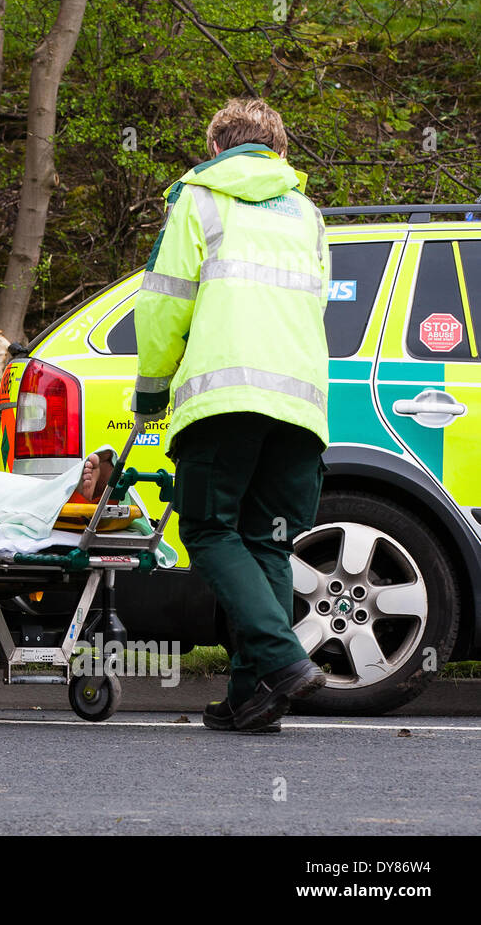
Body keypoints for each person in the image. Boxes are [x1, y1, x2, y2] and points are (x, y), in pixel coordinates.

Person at [132, 97, 330, 733]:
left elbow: (165, 304)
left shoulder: (200, 198)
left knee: (210, 530)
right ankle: (253, 695)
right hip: (300, 406)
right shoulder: (307, 213)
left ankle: (282, 660)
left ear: (217, 147)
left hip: (225, 397)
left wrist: (151, 387)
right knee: (266, 539)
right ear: (278, 150)